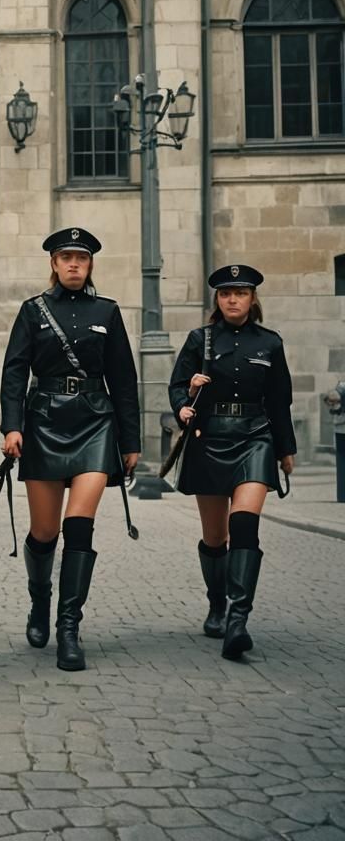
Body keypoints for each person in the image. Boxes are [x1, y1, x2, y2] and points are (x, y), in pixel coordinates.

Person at [0, 228, 140, 672]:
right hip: (43, 421)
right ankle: (40, 602)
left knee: (79, 526)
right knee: (44, 532)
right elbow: (14, 372)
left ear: (91, 264)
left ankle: (68, 626)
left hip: (96, 422)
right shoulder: (33, 312)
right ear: (54, 264)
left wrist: (131, 442)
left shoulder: (108, 312)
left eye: (81, 257)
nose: (74, 264)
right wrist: (12, 426)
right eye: (66, 257)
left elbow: (123, 380)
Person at [169, 264, 296, 660]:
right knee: (215, 538)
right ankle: (217, 605)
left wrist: (285, 449)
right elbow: (176, 387)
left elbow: (280, 401)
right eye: (226, 294)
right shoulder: (200, 340)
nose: (233, 300)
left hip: (256, 437)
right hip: (210, 437)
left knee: (244, 524)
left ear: (252, 298)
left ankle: (238, 621)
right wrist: (184, 404)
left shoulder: (270, 344)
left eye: (240, 293)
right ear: (217, 300)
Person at [324, 381, 345, 503]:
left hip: (340, 429)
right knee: (341, 464)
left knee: (342, 464)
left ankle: (342, 495)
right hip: (340, 430)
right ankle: (342, 495)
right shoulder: (341, 386)